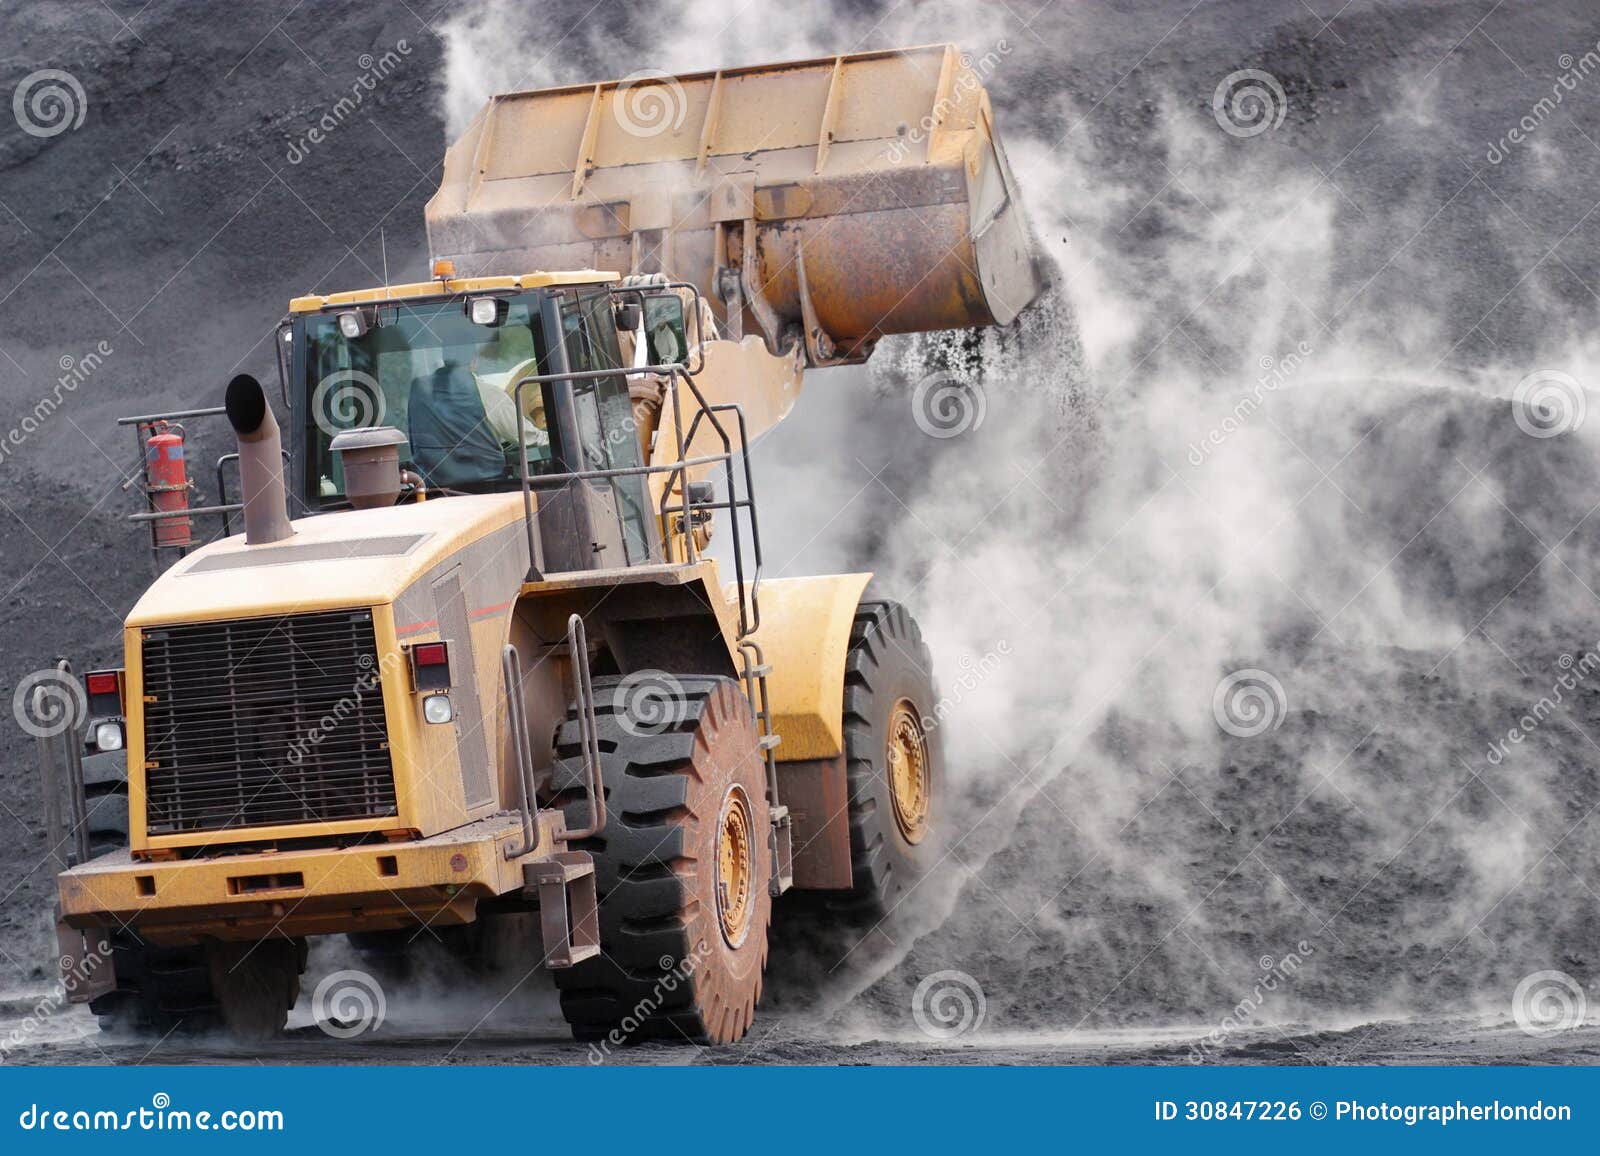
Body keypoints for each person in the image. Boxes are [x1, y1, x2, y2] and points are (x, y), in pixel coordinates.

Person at [406, 359, 505, 488]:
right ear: (474, 362)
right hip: (490, 488)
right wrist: (540, 436)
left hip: (431, 492)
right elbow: (522, 434)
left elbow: (414, 440)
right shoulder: (486, 390)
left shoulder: (419, 389)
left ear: (444, 360)